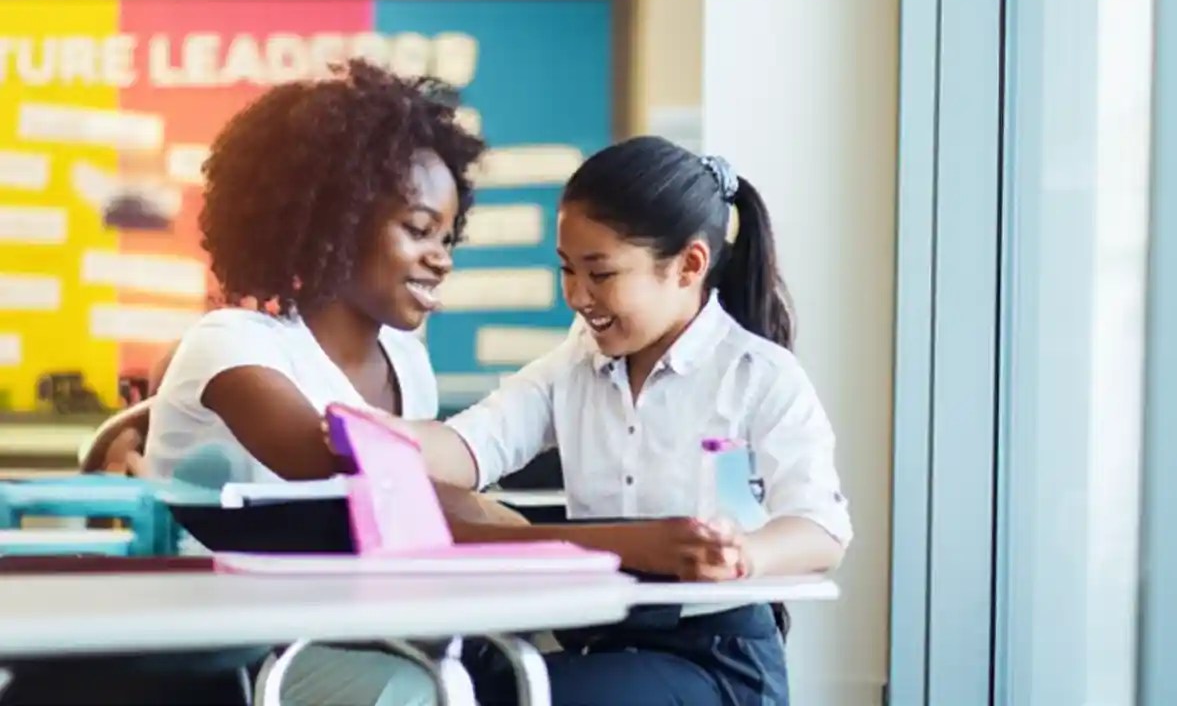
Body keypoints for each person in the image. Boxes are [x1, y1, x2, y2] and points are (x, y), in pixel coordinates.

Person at [379, 135, 853, 705]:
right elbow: (470, 446)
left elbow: (822, 529)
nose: (577, 296)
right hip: (603, 644)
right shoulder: (575, 364)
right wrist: (369, 438)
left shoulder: (759, 375)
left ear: (689, 265)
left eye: (600, 274)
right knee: (457, 682)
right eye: (567, 270)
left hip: (716, 663)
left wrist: (747, 554)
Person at [142, 59, 514, 706]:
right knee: (416, 692)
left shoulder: (408, 363)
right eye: (418, 230)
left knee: (522, 673)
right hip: (227, 652)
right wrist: (562, 535)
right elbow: (346, 466)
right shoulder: (233, 343)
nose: (442, 259)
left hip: (355, 631)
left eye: (448, 237)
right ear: (336, 222)